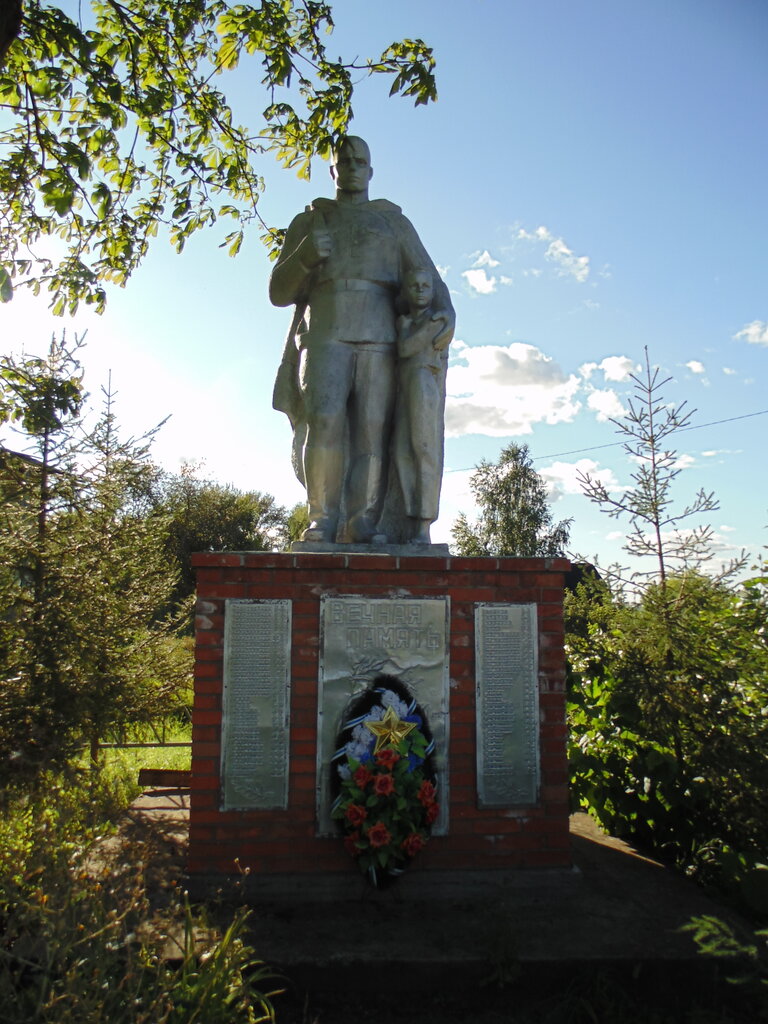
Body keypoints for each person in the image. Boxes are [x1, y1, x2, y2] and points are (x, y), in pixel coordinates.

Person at [270, 136, 454, 544]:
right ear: (333, 170)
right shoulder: (310, 221)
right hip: (325, 333)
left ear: (371, 171)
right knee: (324, 424)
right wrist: (304, 257)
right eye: (345, 161)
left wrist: (447, 314)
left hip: (380, 338)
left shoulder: (393, 223)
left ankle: (363, 520)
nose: (353, 167)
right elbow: (278, 293)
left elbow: (429, 277)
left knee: (373, 434)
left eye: (360, 161)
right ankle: (322, 519)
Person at [393, 268, 451, 544]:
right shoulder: (405, 321)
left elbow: (406, 349)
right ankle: (410, 517)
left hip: (423, 381)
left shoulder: (437, 320)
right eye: (413, 285)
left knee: (424, 448)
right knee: (401, 452)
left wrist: (422, 327)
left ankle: (423, 525)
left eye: (425, 286)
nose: (419, 290)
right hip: (404, 386)